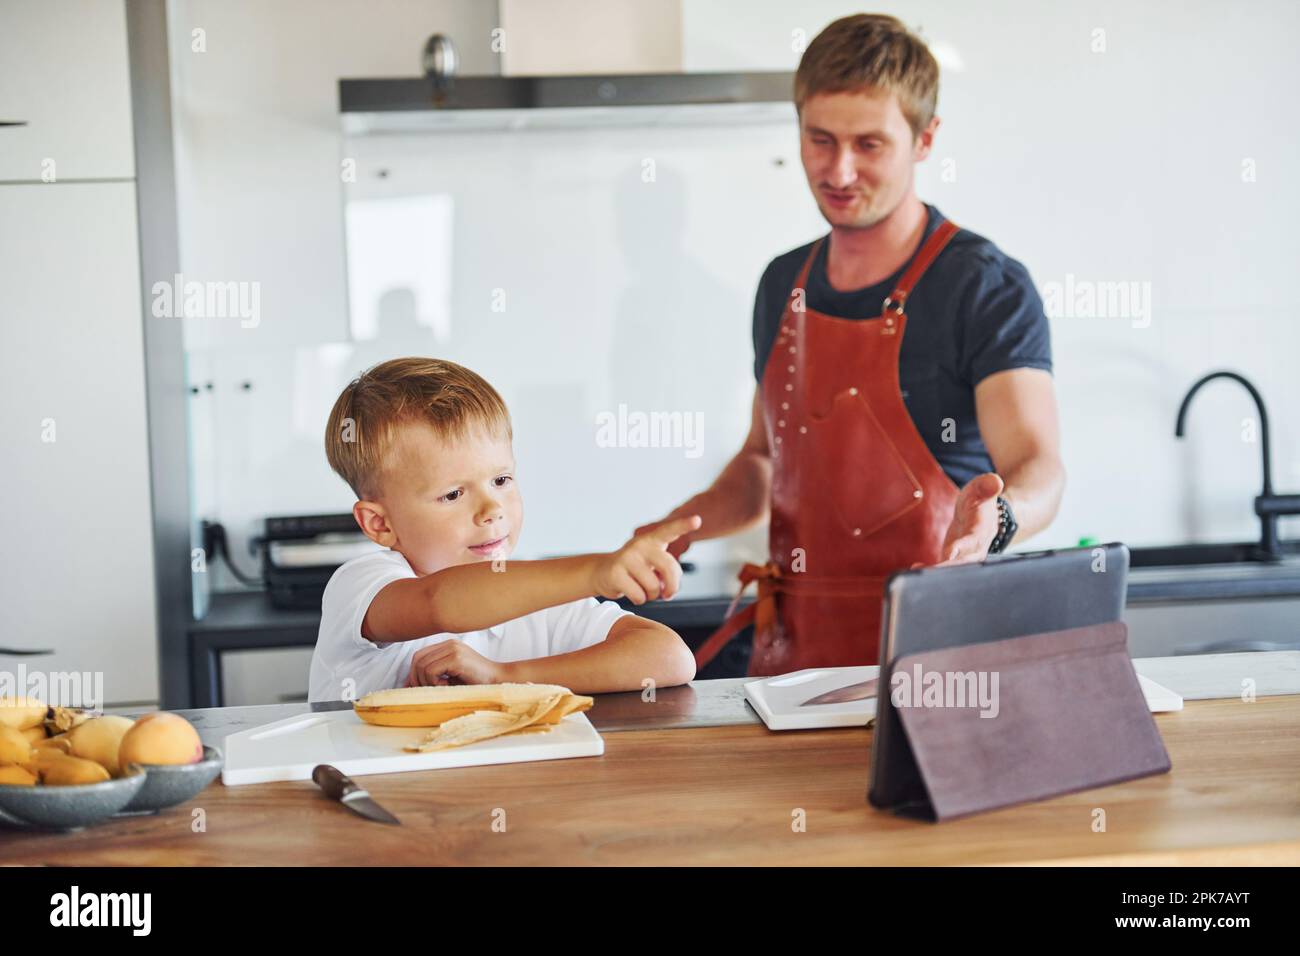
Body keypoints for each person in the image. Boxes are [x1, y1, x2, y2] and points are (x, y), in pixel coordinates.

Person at [636, 14, 1065, 678]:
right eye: (820, 140)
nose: (838, 171)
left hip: (936, 654)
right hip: (794, 660)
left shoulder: (983, 286)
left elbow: (1039, 466)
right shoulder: (785, 282)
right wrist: (673, 527)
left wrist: (997, 521)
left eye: (869, 144)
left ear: (925, 139)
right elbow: (760, 462)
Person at [308, 357, 697, 702]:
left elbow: (670, 657)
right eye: (453, 494)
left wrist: (504, 678)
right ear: (380, 524)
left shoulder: (539, 598)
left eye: (501, 480)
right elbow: (441, 602)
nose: (492, 509)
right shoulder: (361, 586)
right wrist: (595, 572)